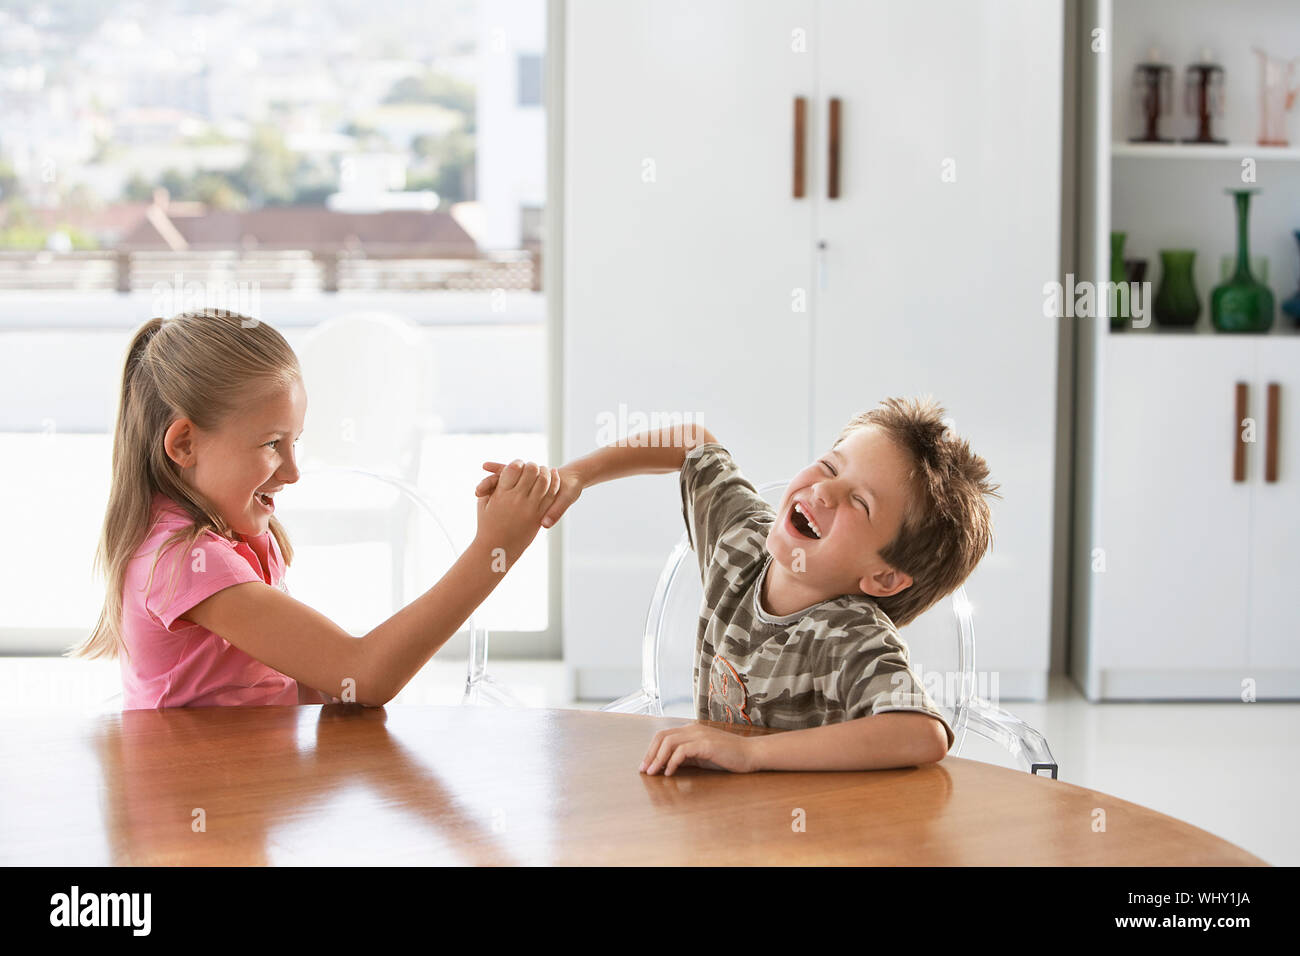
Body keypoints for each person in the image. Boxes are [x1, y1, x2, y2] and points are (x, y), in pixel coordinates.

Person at [479, 396, 1000, 773]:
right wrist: (576, 476)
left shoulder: (850, 634)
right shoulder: (741, 541)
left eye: (860, 503)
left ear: (883, 576)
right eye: (829, 465)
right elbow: (692, 443)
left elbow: (920, 734)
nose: (823, 490)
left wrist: (751, 753)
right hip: (721, 826)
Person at [71, 310, 557, 709]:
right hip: (207, 813)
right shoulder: (186, 559)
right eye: (270, 443)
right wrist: (494, 549)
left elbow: (317, 681)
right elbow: (361, 677)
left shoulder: (229, 537)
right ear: (184, 443)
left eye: (295, 441)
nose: (292, 471)